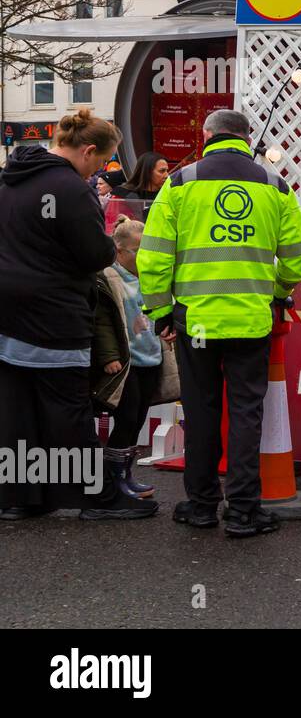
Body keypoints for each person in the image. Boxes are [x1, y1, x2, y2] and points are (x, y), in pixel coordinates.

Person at [139, 109, 301, 538]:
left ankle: (200, 507)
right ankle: (243, 511)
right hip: (252, 322)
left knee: (200, 413)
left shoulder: (179, 184)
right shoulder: (274, 185)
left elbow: (154, 255)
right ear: (245, 137)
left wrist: (161, 311)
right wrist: (275, 292)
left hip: (195, 323)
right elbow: (294, 262)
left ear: (208, 135)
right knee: (246, 414)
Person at [0, 110, 158, 521]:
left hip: (8, 312)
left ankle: (20, 497)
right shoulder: (69, 188)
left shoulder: (9, 178)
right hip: (54, 313)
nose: (98, 170)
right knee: (68, 410)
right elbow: (93, 254)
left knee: (17, 409)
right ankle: (97, 497)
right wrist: (108, 247)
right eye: (99, 160)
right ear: (87, 151)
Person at [92, 216, 166, 499]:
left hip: (151, 358)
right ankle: (113, 478)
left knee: (138, 421)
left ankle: (126, 473)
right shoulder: (108, 278)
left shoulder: (150, 276)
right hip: (125, 364)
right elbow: (101, 322)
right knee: (126, 418)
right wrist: (109, 356)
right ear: (120, 251)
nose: (144, 255)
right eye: (138, 250)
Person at [105, 151, 169, 227]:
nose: (166, 175)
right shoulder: (122, 195)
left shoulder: (169, 195)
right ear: (147, 172)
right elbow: (111, 225)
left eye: (167, 171)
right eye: (162, 171)